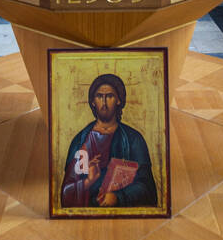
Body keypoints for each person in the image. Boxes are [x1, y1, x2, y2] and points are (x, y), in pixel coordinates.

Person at [60, 74, 158, 208]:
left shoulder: (133, 139)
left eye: (110, 96)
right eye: (99, 96)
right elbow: (66, 193)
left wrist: (119, 197)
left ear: (118, 100)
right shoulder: (80, 141)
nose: (104, 103)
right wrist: (87, 182)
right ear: (93, 101)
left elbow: (147, 189)